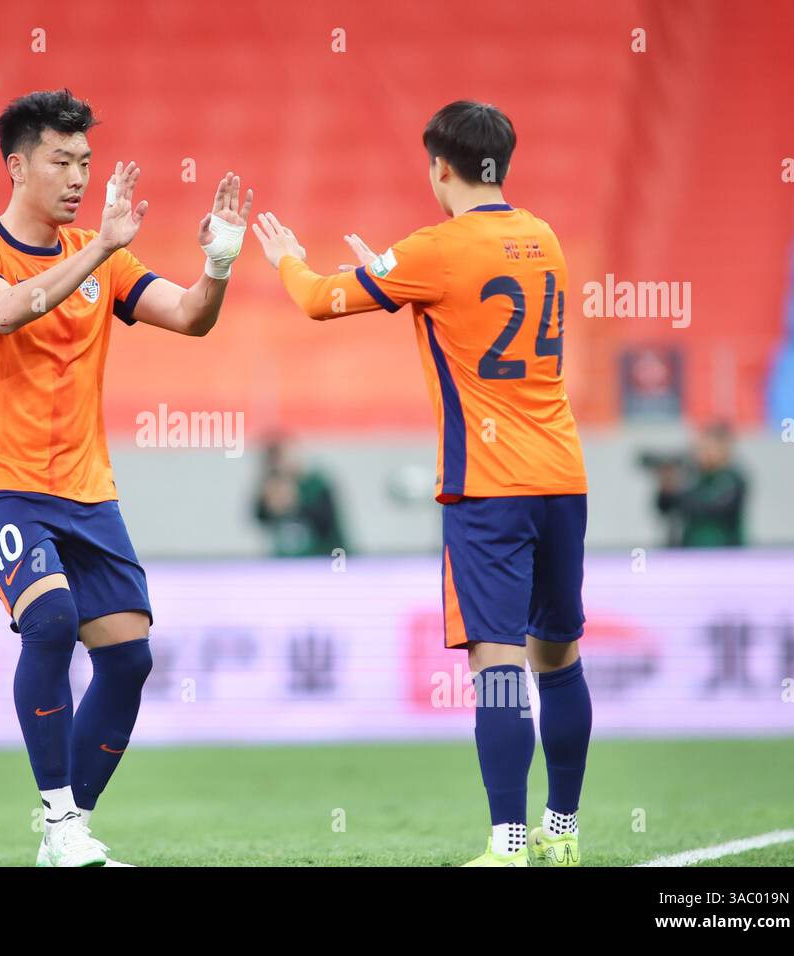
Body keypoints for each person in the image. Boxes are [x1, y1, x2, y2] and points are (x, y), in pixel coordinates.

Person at [253, 101, 592, 867]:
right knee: (560, 656)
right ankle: (563, 833)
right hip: (561, 476)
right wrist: (394, 273)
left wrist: (287, 257)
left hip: (487, 485)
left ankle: (507, 844)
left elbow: (317, 300)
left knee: (497, 662)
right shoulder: (543, 237)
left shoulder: (433, 249)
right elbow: (467, 303)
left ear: (440, 166)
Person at [0, 89, 252, 866]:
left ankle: (67, 828)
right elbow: (8, 311)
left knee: (129, 658)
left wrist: (217, 264)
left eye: (85, 161)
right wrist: (101, 249)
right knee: (48, 622)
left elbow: (189, 317)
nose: (79, 176)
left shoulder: (103, 257)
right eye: (61, 160)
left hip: (87, 490)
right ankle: (59, 825)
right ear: (17, 165)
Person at [654, 422, 747, 547]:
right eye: (700, 448)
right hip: (690, 552)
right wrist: (667, 487)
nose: (701, 453)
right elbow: (665, 508)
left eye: (708, 447)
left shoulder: (732, 478)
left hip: (725, 553)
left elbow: (712, 506)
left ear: (724, 448)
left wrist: (678, 493)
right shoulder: (693, 476)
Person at [253, 438, 349, 557]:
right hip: (288, 562)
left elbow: (325, 522)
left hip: (325, 558)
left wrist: (294, 504)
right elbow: (260, 517)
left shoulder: (317, 483)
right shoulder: (275, 484)